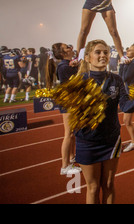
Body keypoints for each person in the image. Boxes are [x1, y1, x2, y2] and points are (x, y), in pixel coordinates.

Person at [75, 39, 134, 204]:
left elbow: (125, 106)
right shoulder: (79, 81)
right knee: (93, 187)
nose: (103, 55)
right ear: (88, 57)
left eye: (105, 52)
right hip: (87, 141)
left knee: (109, 183)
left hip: (111, 140)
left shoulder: (116, 80)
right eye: (98, 52)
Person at [47, 43, 81, 175]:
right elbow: (75, 83)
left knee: (72, 134)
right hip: (68, 102)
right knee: (68, 134)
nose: (71, 48)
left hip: (70, 101)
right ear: (62, 53)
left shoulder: (67, 65)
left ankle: (72, 157)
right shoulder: (64, 67)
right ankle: (65, 166)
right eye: (67, 48)